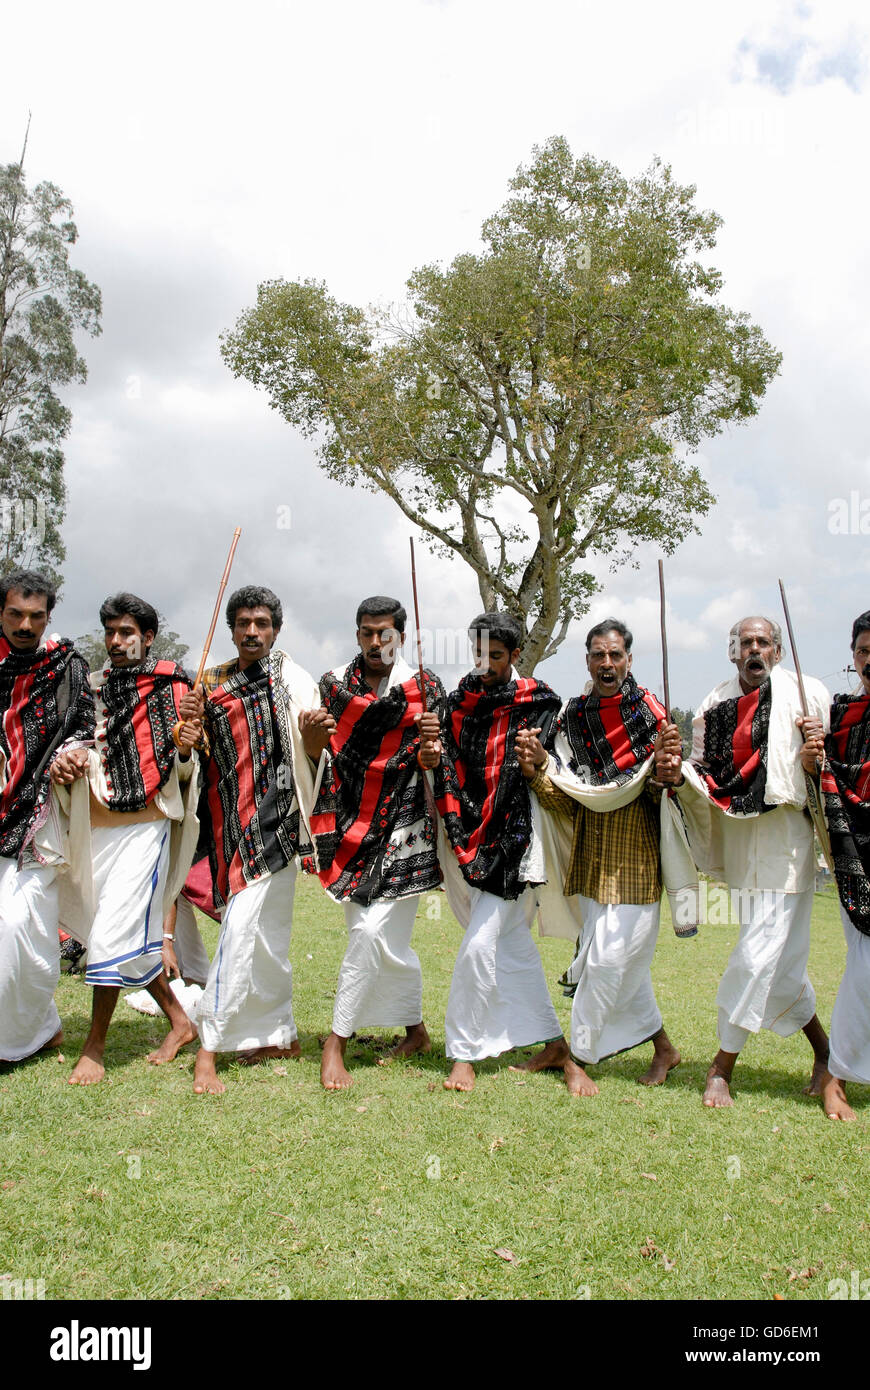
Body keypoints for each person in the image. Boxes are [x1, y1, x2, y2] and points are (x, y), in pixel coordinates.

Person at [657, 616, 830, 1107]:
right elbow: (703, 774)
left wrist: (816, 752)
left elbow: (832, 764)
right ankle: (825, 1052)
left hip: (787, 840)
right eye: (745, 642)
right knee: (779, 968)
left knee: (757, 954)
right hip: (739, 840)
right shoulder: (713, 704)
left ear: (776, 650)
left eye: (764, 642)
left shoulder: (809, 694)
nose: (755, 649)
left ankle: (721, 1065)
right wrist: (674, 772)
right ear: (733, 652)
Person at [516, 618, 681, 1097]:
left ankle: (578, 1058)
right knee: (611, 961)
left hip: (636, 856)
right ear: (587, 660)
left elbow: (667, 793)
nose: (607, 664)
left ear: (628, 659)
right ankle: (664, 1048)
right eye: (597, 656)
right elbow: (567, 798)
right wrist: (537, 771)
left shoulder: (653, 716)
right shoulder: (573, 718)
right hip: (590, 855)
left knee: (609, 960)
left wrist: (667, 773)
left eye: (615, 655)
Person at [55, 594, 202, 1084]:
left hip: (147, 824)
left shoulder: (175, 684)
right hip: (96, 821)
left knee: (109, 935)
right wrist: (73, 757)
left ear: (147, 637)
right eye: (111, 632)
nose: (116, 641)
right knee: (124, 938)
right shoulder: (92, 687)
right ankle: (181, 1021)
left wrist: (185, 745)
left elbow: (186, 765)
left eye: (126, 633)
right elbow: (78, 740)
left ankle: (93, 1046)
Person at [182, 585, 322, 1096]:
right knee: (249, 935)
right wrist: (189, 735)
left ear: (276, 630)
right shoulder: (211, 686)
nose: (252, 631)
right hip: (232, 828)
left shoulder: (296, 680)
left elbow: (316, 753)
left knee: (260, 936)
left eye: (261, 623)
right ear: (231, 629)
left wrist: (315, 738)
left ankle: (234, 1042)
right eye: (243, 623)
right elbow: (196, 758)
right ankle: (250, 1037)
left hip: (280, 826)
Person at [432, 611, 568, 1092]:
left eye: (496, 655)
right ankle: (555, 1045)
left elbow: (553, 768)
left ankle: (464, 1055)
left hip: (516, 839)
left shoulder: (542, 703)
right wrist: (433, 753)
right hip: (469, 831)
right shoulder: (456, 703)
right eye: (479, 653)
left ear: (514, 656)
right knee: (513, 948)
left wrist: (539, 759)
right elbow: (447, 759)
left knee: (479, 946)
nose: (485, 663)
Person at [312, 596, 442, 1090]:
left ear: (400, 637)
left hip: (406, 829)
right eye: (366, 632)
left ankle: (336, 1041)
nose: (374, 642)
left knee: (369, 934)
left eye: (384, 633)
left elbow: (444, 758)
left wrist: (432, 747)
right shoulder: (333, 687)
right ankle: (416, 1031)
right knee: (384, 940)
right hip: (349, 830)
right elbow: (321, 750)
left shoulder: (425, 689)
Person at [0, 569, 94, 1062]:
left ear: (48, 618)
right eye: (15, 613)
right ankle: (38, 1026)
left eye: (36, 616)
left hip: (40, 814)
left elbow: (84, 724)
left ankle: (25, 1036)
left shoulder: (65, 666)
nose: (25, 624)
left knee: (24, 924)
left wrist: (74, 752)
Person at [800, 610, 870, 1120]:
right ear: (853, 657)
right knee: (866, 966)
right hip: (855, 860)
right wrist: (811, 756)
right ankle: (837, 1077)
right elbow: (823, 778)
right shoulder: (841, 715)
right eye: (864, 650)